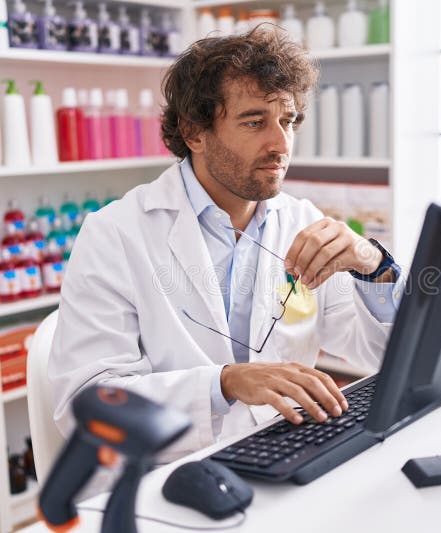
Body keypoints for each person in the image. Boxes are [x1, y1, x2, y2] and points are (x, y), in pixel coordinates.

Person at [48, 28, 405, 463]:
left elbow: (383, 354)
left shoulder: (303, 221)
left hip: (281, 453)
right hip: (167, 475)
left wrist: (374, 266)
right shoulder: (115, 233)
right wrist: (224, 384)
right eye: (255, 122)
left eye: (287, 121)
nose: (281, 144)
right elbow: (85, 404)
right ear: (195, 132)